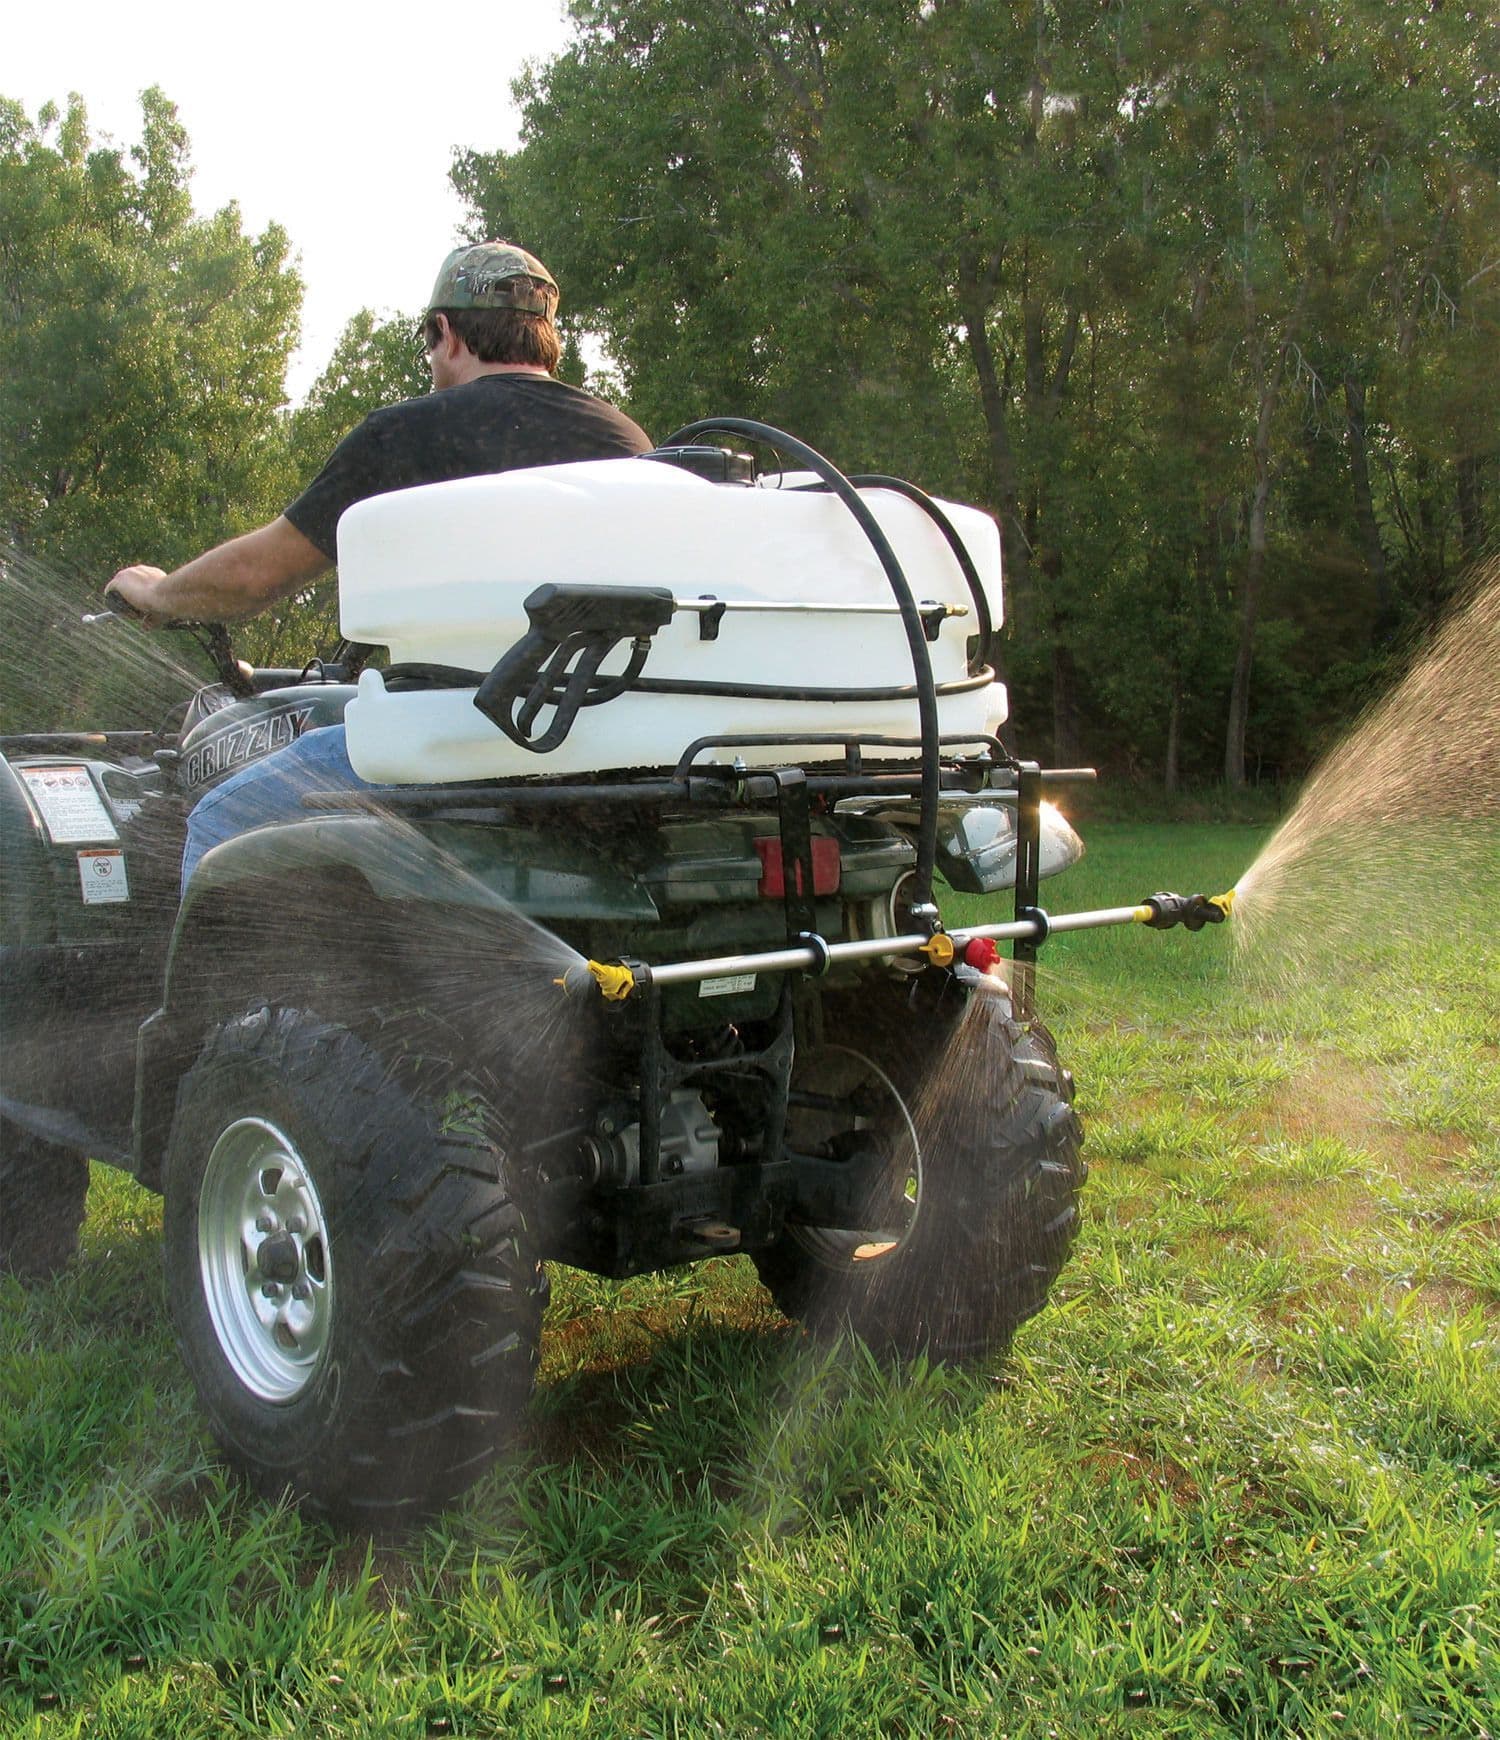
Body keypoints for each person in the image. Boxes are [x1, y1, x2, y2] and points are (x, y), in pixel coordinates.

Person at [104, 242, 653, 886]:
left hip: (452, 742)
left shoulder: (412, 433)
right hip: (601, 743)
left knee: (218, 820)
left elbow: (257, 576)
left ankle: (226, 991)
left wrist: (160, 592)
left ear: (445, 334)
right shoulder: (627, 441)